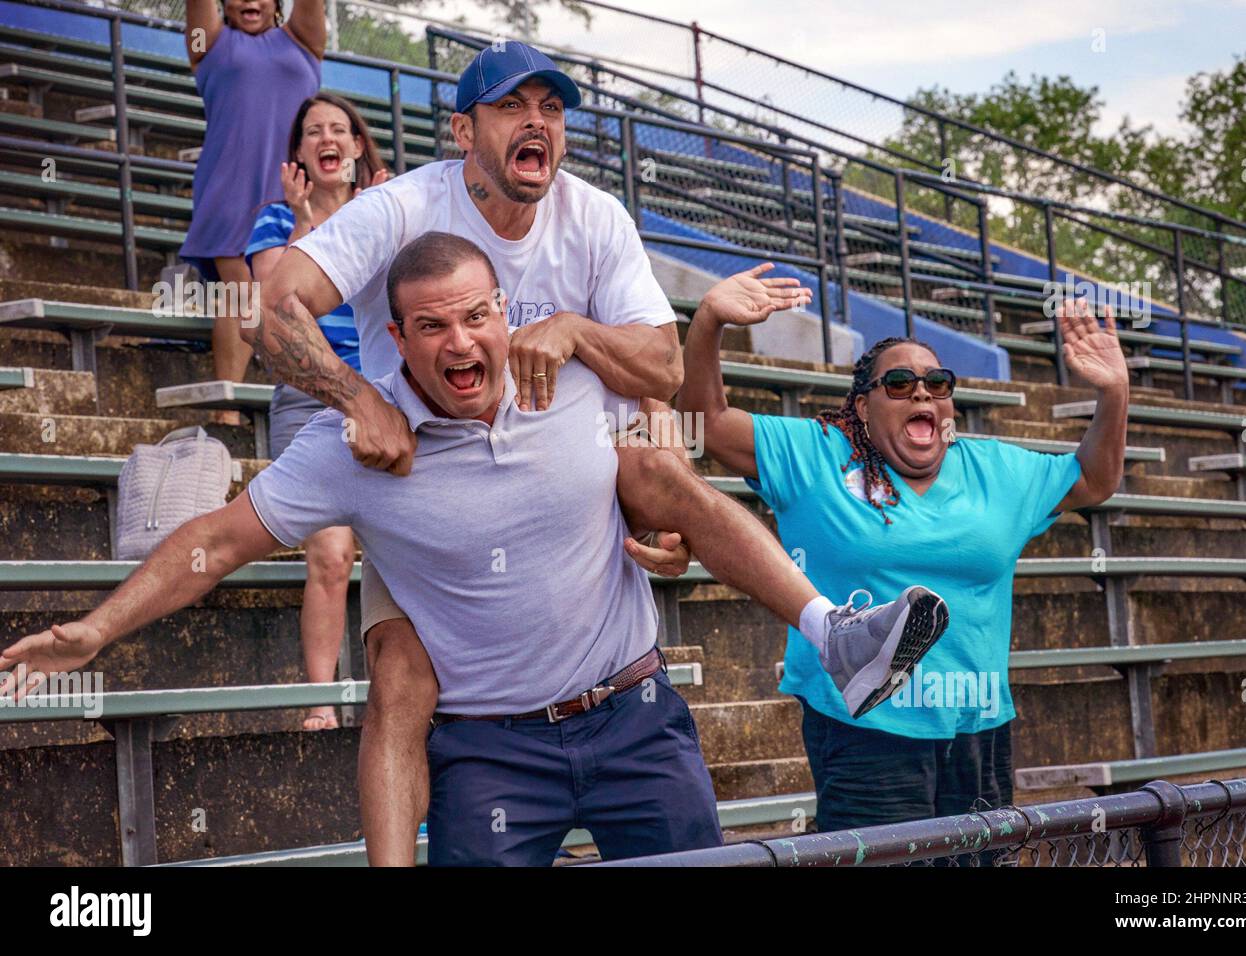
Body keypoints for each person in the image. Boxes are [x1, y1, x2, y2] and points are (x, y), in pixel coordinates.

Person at [1, 234, 948, 865]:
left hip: (633, 713)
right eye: (432, 326)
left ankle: (833, 632)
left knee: (656, 474)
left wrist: (658, 528)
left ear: (504, 311)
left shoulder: (571, 379)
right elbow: (214, 540)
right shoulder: (355, 445)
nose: (460, 341)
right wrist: (92, 631)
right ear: (398, 343)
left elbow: (670, 420)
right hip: (494, 751)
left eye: (476, 315)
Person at [244, 42, 947, 864]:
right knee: (399, 678)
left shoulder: (593, 215)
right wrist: (359, 398)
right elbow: (274, 308)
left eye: (551, 107)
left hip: (562, 485)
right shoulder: (403, 208)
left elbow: (660, 368)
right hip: (423, 487)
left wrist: (580, 335)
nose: (537, 121)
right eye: (512, 107)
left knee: (653, 468)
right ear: (462, 131)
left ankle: (836, 635)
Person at [676, 268, 1131, 833]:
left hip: (979, 728)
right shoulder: (819, 454)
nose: (921, 391)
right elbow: (705, 426)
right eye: (898, 383)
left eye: (937, 383)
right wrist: (709, 323)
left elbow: (1095, 478)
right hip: (864, 732)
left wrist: (1113, 393)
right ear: (863, 408)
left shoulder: (997, 468)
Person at [244, 93, 389, 730]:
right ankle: (321, 700)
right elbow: (274, 308)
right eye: (313, 132)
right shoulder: (277, 222)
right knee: (331, 556)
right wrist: (306, 217)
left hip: (389, 391)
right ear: (299, 153)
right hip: (310, 397)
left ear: (358, 146)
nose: (327, 140)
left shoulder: (388, 211)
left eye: (340, 130)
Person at [179, 0, 324, 425]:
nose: (250, 2)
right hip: (229, 190)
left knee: (289, 292)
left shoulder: (303, 39)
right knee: (241, 292)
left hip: (293, 191)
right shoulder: (210, 44)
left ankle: (305, 404)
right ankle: (227, 415)